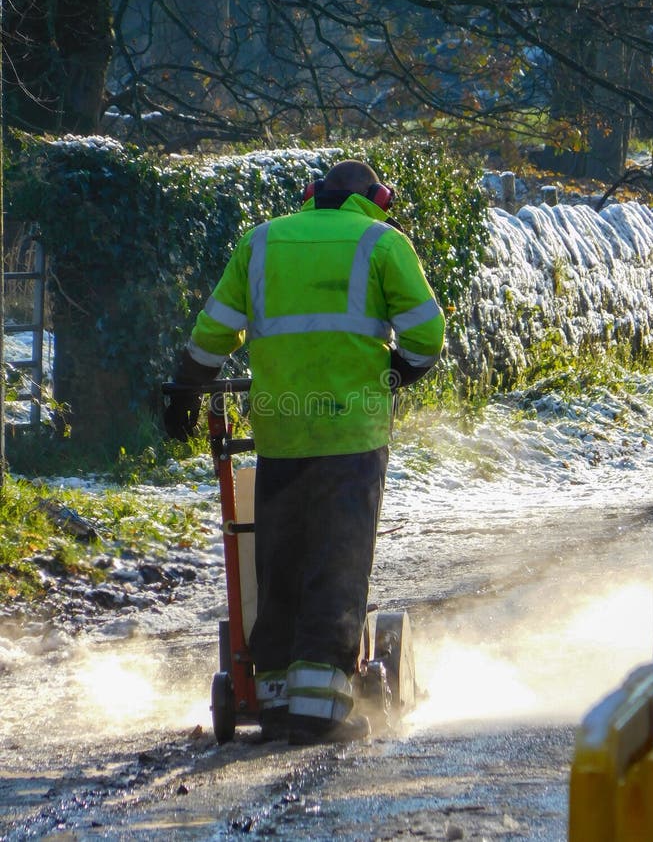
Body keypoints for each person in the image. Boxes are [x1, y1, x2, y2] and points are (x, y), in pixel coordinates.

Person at [164, 160, 445, 744]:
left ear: (312, 195)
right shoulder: (382, 242)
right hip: (352, 435)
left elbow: (215, 328)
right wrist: (392, 372)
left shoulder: (262, 241)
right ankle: (318, 711)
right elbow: (426, 334)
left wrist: (187, 391)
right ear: (377, 198)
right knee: (337, 566)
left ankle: (270, 696)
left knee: (281, 560)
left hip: (281, 434)